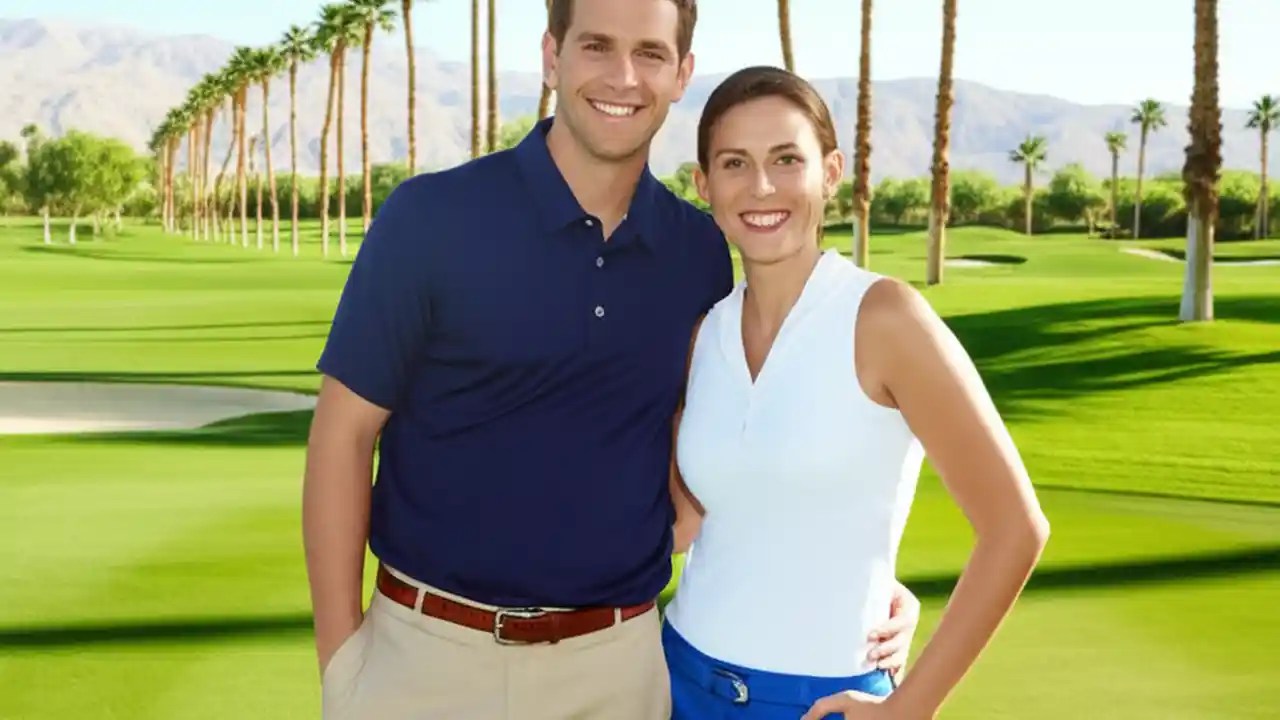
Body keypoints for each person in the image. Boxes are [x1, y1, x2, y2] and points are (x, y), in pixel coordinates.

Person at [302, 1, 921, 718]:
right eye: (596, 46)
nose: (623, 76)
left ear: (682, 72)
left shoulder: (699, 255)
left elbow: (731, 458)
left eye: (651, 54)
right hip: (424, 663)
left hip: (620, 670)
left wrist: (867, 581)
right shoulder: (430, 219)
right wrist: (340, 663)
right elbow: (342, 436)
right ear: (551, 56)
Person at [659, 65, 1052, 720]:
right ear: (704, 185)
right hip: (680, 679)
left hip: (820, 701)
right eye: (735, 163)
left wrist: (911, 707)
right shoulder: (705, 333)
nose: (761, 186)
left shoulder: (886, 318)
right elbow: (685, 524)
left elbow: (1015, 528)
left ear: (832, 171)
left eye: (787, 159)